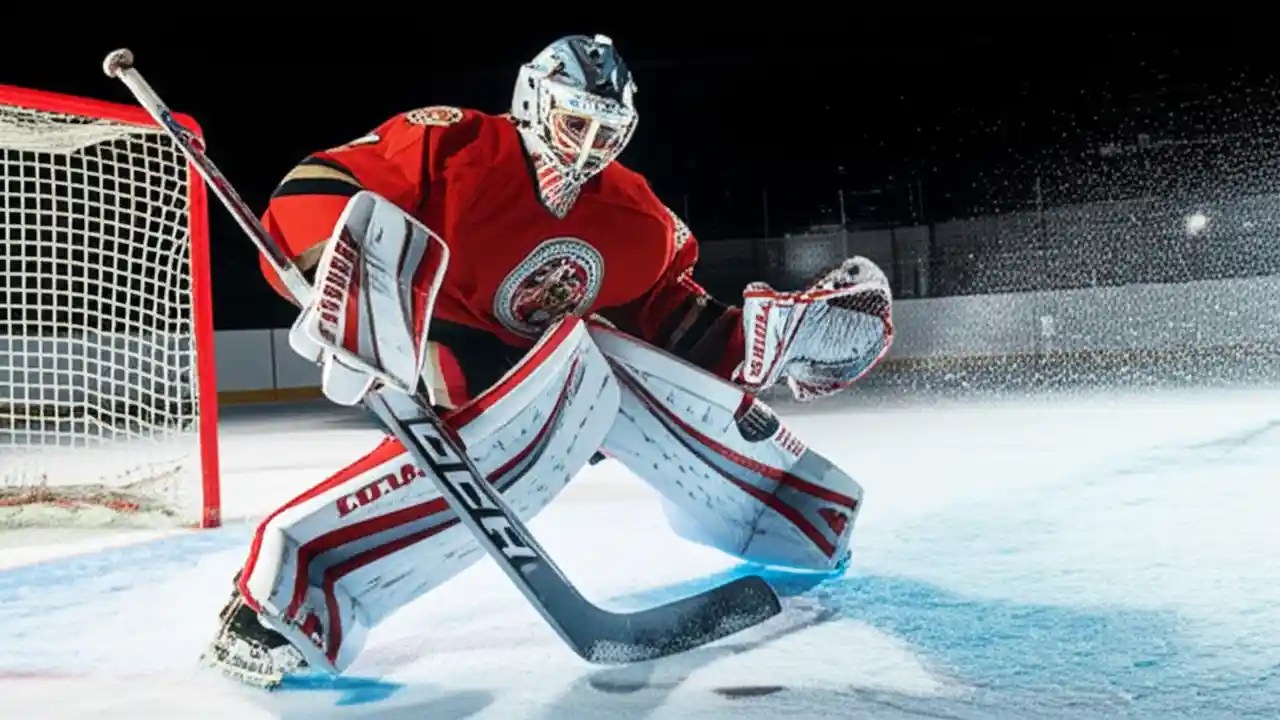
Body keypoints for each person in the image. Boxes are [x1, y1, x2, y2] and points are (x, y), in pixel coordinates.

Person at [202, 33, 894, 688]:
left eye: (607, 133)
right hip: (432, 345)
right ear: (533, 105)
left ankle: (790, 513)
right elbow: (315, 186)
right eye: (576, 125)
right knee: (580, 365)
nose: (589, 151)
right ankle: (284, 602)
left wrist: (759, 344)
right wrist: (335, 271)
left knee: (600, 361)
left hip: (548, 375)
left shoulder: (635, 216)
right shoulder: (452, 143)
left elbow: (669, 323)